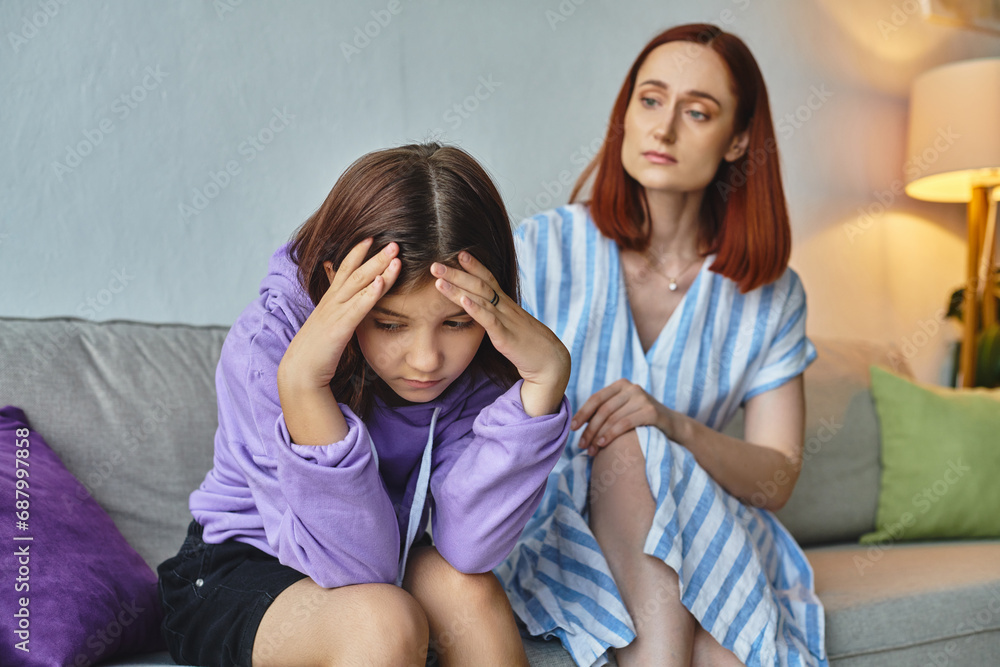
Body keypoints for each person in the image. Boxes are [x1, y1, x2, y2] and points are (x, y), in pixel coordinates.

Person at [157, 143, 573, 667]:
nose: (426, 360)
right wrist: (304, 388)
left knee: (470, 592)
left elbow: (468, 548)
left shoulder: (479, 357)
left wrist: (542, 382)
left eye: (456, 322)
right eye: (392, 324)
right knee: (384, 621)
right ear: (339, 286)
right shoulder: (266, 346)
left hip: (383, 559)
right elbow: (358, 568)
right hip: (238, 567)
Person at [496, 24, 828, 667]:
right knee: (624, 440)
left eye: (697, 112)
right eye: (649, 101)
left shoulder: (772, 293)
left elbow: (778, 475)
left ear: (737, 141)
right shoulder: (539, 248)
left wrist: (673, 425)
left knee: (643, 439)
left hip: (701, 521)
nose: (664, 128)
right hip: (555, 522)